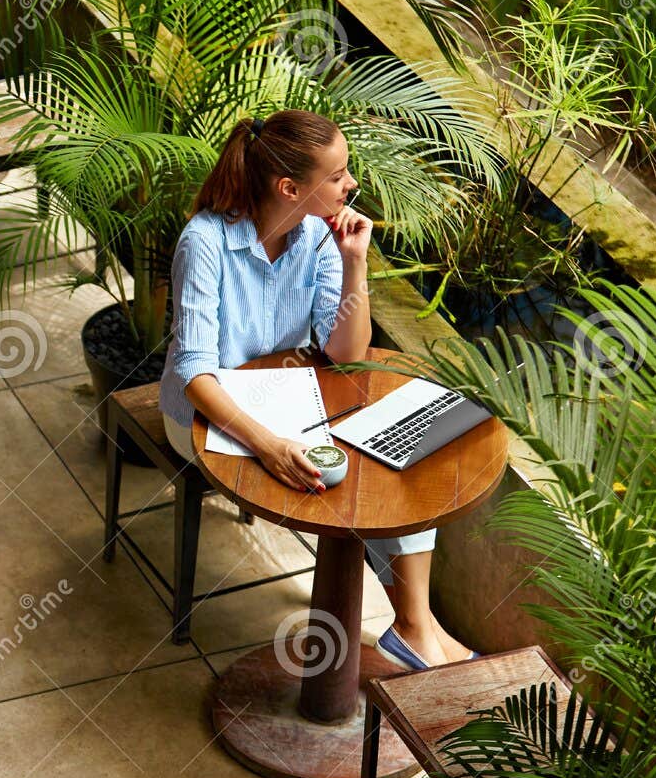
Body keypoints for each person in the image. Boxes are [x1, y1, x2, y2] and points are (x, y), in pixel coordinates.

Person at [158, 109, 475, 670]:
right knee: (345, 473)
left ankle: (414, 624)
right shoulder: (203, 242)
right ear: (290, 187)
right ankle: (409, 631)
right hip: (206, 422)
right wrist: (268, 445)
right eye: (338, 175)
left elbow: (347, 354)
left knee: (400, 453)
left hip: (288, 400)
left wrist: (355, 265)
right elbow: (196, 374)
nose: (351, 184)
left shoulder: (319, 237)